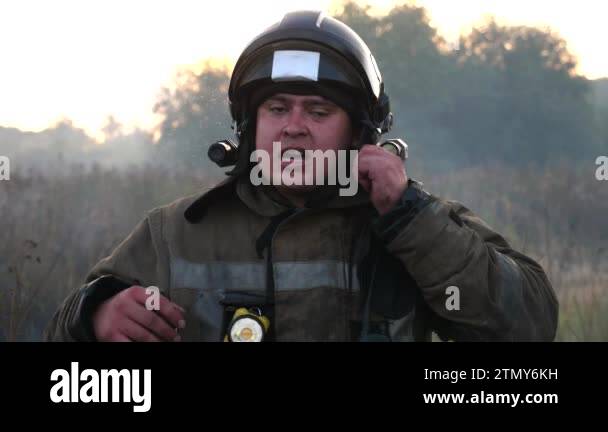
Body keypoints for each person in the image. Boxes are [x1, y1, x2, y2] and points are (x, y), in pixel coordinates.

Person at [44, 10, 558, 342]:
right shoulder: (176, 233)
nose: (294, 129)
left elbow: (530, 327)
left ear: (360, 135)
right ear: (249, 127)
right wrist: (95, 319)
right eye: (276, 108)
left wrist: (409, 217)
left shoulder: (418, 225)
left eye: (318, 111)